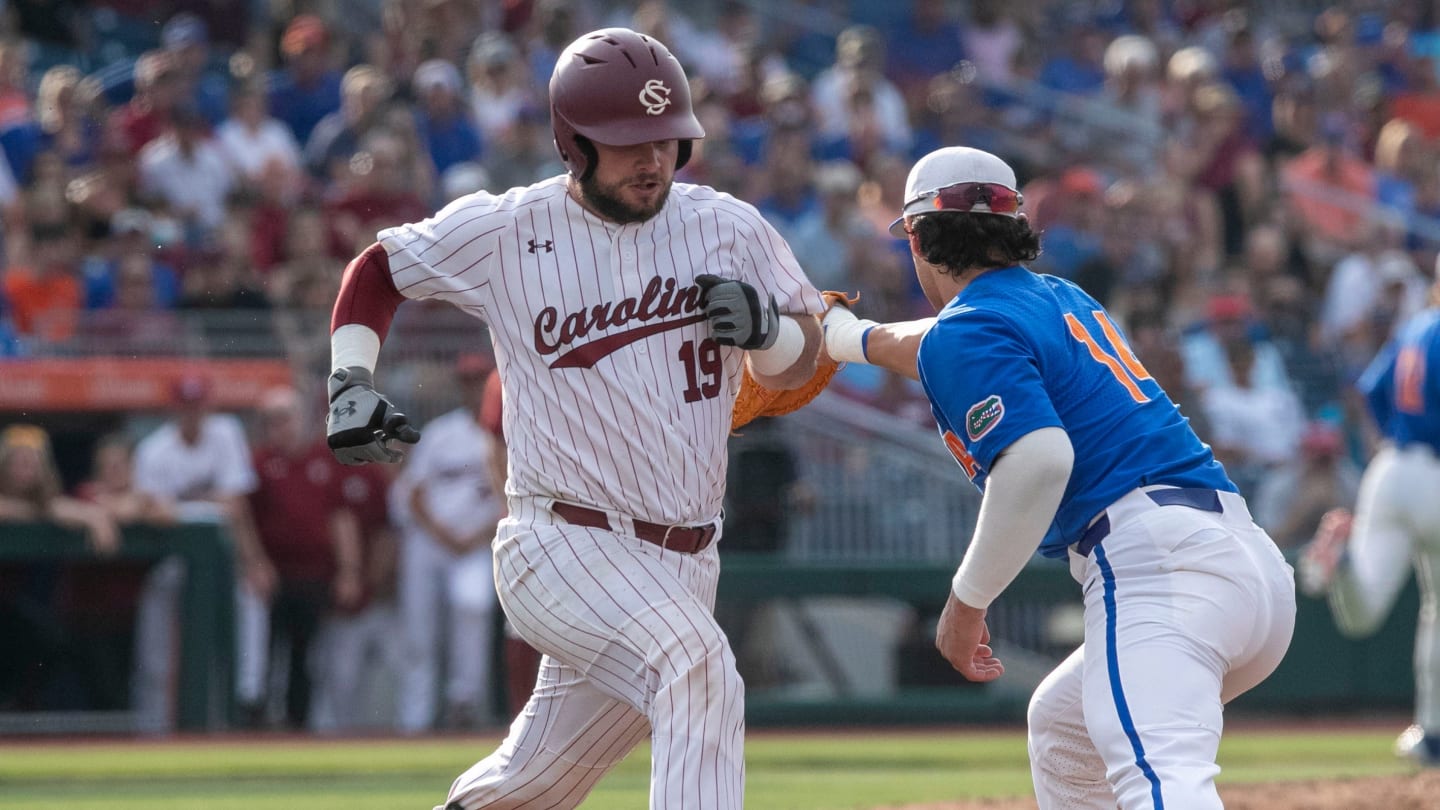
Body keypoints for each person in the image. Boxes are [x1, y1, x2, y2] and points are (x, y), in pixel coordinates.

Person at [323, 27, 824, 809]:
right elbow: (378, 269)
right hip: (559, 543)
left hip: (686, 559)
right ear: (573, 144)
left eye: (665, 139)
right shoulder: (510, 229)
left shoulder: (728, 226)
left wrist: (770, 331)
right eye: (627, 143)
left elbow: (804, 358)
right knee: (697, 667)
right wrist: (349, 378)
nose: (651, 159)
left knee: (535, 782)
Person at [821, 146, 1296, 808]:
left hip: (1158, 568)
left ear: (921, 237)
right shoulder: (1059, 297)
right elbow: (935, 343)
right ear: (1013, 223)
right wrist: (844, 335)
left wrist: (967, 602)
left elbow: (1039, 462)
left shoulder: (971, 328)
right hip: (1246, 566)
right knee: (1065, 730)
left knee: (1160, 782)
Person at [1299, 264, 1440, 767]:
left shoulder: (1415, 327)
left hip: (1392, 468)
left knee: (1364, 614)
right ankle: (1434, 734)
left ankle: (1344, 566)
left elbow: (1371, 392)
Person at [388, 352, 505, 733]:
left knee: (472, 609)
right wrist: (442, 534)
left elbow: (509, 497)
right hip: (430, 540)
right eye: (467, 382)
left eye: (478, 381)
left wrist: (476, 535)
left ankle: (464, 704)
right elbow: (414, 494)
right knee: (418, 631)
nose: (472, 389)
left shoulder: (506, 435)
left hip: (475, 542)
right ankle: (414, 719)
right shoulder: (442, 431)